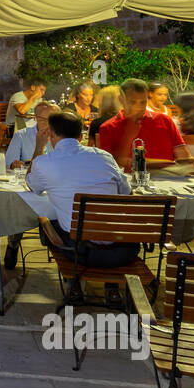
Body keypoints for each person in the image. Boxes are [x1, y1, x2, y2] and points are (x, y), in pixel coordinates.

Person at [27, 111, 138, 299]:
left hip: (79, 252)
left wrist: (39, 147)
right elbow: (126, 192)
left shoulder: (44, 162)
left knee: (52, 218)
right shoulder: (104, 157)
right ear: (81, 136)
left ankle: (74, 281)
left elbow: (32, 186)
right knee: (104, 222)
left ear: (51, 134)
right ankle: (112, 286)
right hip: (123, 251)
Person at [96, 78, 194, 173]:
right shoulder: (109, 127)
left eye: (143, 102)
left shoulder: (164, 120)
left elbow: (183, 154)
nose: (138, 107)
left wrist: (193, 165)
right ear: (121, 100)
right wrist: (128, 136)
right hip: (130, 182)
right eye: (133, 102)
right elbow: (109, 166)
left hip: (168, 179)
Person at [6, 101, 57, 168]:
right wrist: (14, 165)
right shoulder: (21, 135)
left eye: (51, 120)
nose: (47, 124)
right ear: (36, 118)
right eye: (43, 120)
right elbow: (8, 164)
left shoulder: (62, 136)